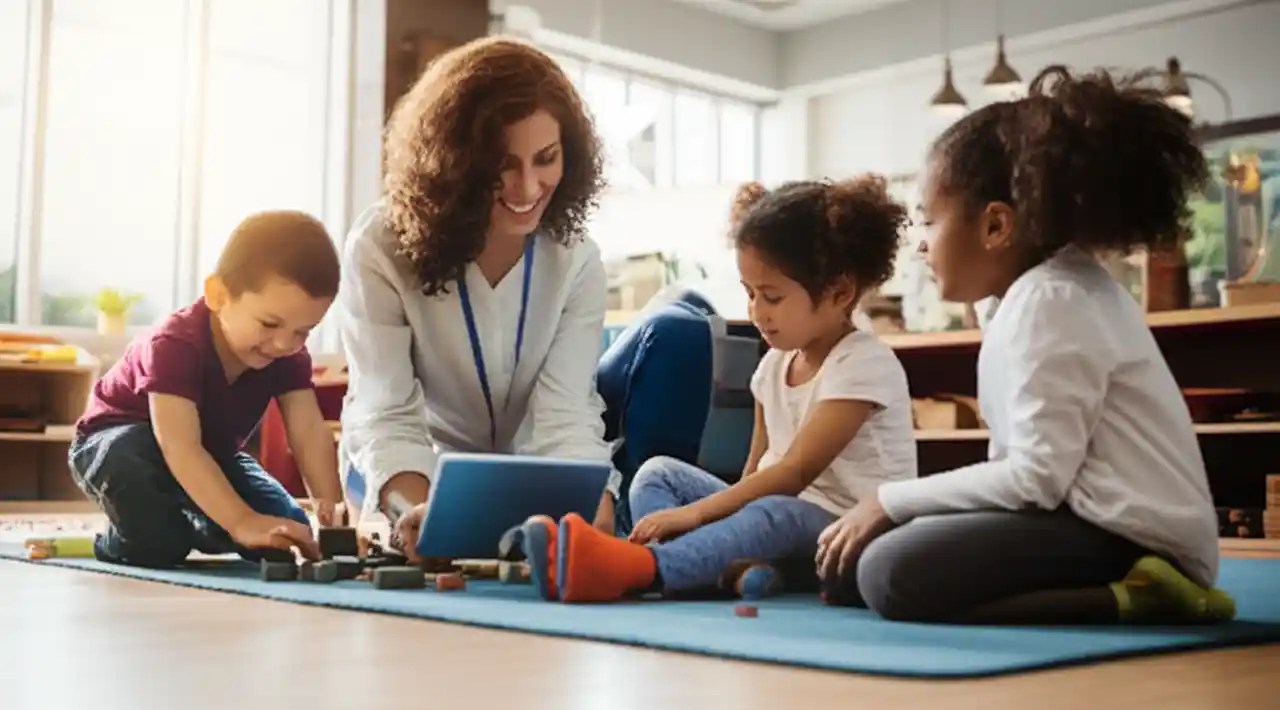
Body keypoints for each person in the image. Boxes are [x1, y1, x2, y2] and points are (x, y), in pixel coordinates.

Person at [815, 66, 1236, 624]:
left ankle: (1146, 595)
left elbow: (1036, 479)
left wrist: (889, 500)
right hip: (1076, 520)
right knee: (856, 565)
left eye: (930, 222)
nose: (922, 246)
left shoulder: (1052, 300)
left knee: (889, 573)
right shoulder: (1031, 295)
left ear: (995, 227)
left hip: (1133, 538)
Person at [338, 37, 704, 560]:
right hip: (414, 461)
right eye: (502, 165)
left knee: (682, 328)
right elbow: (387, 414)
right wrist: (419, 515)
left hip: (531, 465)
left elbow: (566, 414)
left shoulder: (576, 258)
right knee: (414, 542)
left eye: (546, 159)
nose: (528, 186)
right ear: (454, 163)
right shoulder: (379, 246)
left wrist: (593, 509)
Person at [518, 175, 918, 603]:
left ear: (839, 293)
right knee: (657, 473)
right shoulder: (774, 366)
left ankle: (638, 567)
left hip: (851, 527)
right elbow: (758, 470)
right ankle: (699, 567)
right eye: (750, 294)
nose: (757, 313)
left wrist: (694, 515)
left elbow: (792, 474)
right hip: (783, 518)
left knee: (772, 512)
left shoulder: (862, 363)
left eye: (772, 297)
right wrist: (710, 513)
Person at [70, 211, 344, 567]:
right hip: (119, 446)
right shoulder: (174, 342)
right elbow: (179, 446)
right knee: (156, 543)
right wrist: (241, 520)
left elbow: (308, 431)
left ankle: (195, 523)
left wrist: (333, 517)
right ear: (218, 295)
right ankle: (130, 535)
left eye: (303, 331)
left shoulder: (288, 355)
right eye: (269, 323)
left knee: (285, 533)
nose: (283, 344)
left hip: (210, 454)